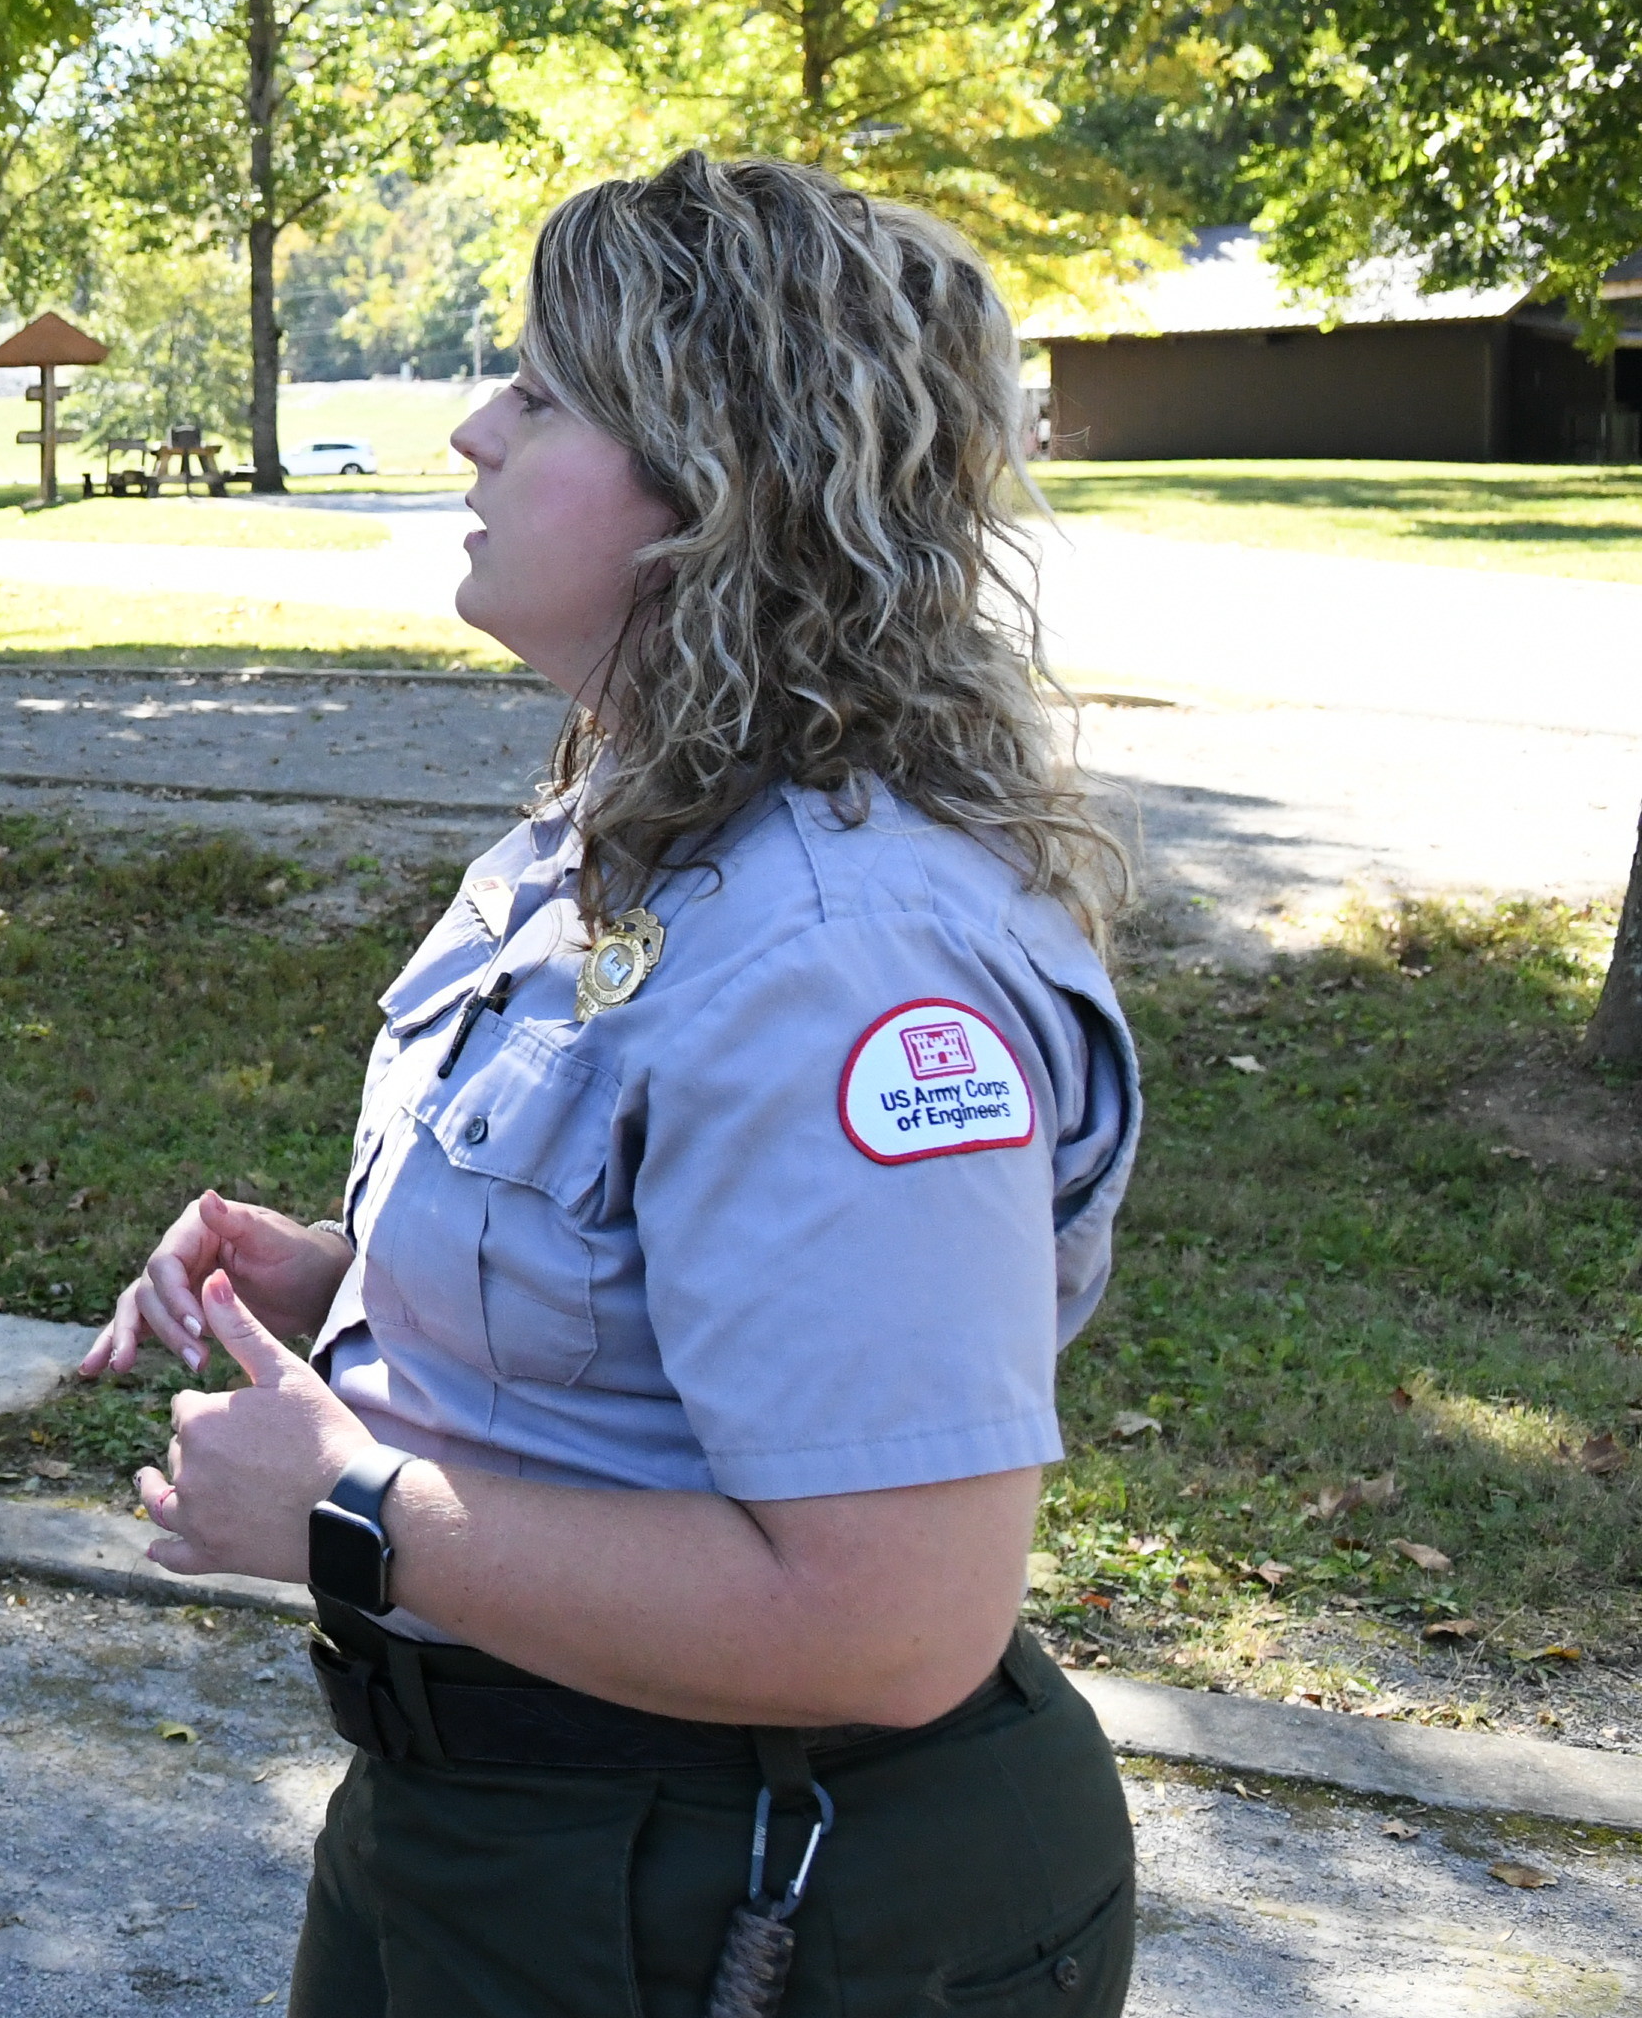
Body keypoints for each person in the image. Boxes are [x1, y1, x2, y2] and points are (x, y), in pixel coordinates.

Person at [84, 152, 1146, 2015]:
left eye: (547, 390)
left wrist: (352, 1507)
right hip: (505, 1825)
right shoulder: (618, 836)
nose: (474, 429)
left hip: (739, 1896)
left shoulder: (844, 956)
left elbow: (897, 1622)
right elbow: (657, 1328)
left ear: (713, 483)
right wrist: (354, 1295)